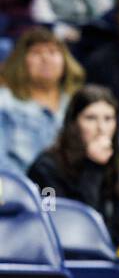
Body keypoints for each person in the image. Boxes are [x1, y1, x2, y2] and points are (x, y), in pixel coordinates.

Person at [27, 86, 119, 246]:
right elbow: (65, 224)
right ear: (73, 123)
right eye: (91, 118)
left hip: (106, 256)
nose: (101, 128)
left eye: (108, 119)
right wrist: (93, 167)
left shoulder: (113, 163)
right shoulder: (45, 168)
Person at [0, 27, 85, 173]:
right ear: (21, 62)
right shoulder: (5, 103)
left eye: (53, 52)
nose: (45, 59)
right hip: (22, 189)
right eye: (36, 52)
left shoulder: (81, 103)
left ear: (65, 61)